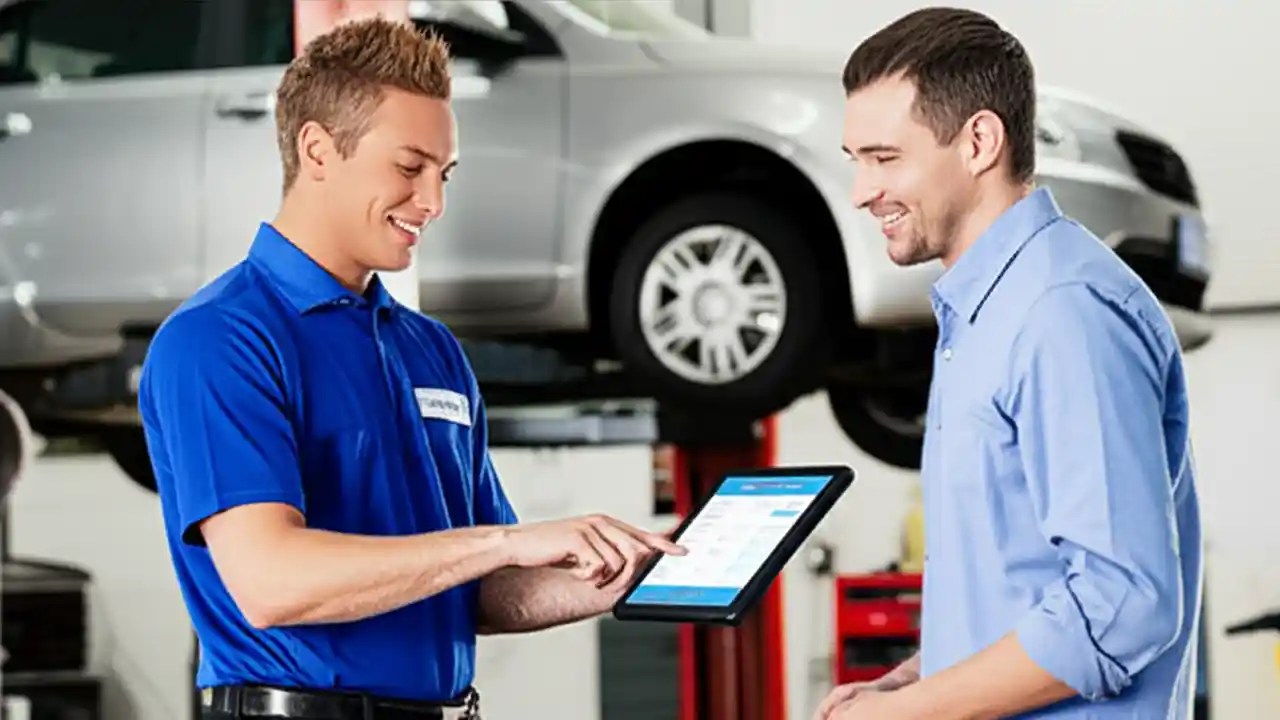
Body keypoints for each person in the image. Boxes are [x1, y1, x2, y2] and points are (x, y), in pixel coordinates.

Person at [139, 16, 684, 720]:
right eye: (409, 167)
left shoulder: (431, 350)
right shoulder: (220, 339)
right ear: (318, 150)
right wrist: (505, 541)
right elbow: (270, 581)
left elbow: (486, 588)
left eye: (444, 173)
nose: (433, 202)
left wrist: (627, 572)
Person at [816, 7, 1203, 719]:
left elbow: (1122, 605)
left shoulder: (1061, 313)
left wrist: (905, 714)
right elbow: (1020, 583)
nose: (861, 192)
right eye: (857, 161)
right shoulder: (987, 315)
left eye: (884, 157)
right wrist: (916, 678)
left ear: (979, 142)